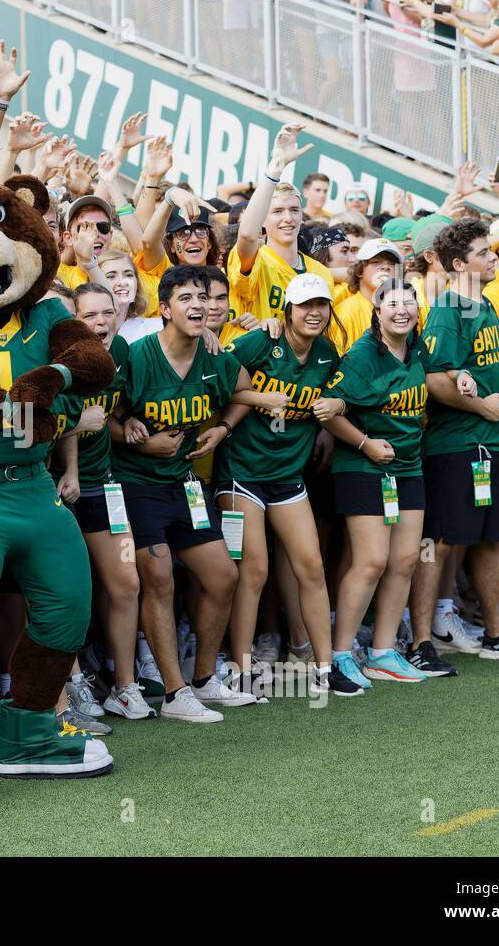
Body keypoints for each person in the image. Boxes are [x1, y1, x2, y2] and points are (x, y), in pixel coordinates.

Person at [114, 265, 268, 717]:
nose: (198, 305)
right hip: (136, 483)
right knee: (159, 580)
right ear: (164, 309)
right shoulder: (138, 354)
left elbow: (244, 390)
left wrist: (221, 428)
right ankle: (174, 693)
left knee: (224, 576)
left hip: (186, 484)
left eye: (203, 297)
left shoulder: (217, 357)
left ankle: (203, 679)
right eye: (185, 298)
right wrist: (133, 434)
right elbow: (105, 416)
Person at [411, 219, 499, 662]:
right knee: (443, 540)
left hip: (489, 441)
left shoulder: (485, 305)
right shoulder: (447, 309)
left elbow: (491, 362)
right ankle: (420, 643)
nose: (494, 258)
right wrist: (480, 407)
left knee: (490, 536)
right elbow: (435, 379)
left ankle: (497, 634)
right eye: (483, 253)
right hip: (455, 444)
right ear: (458, 264)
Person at [215, 273, 346, 695]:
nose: (314, 313)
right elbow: (215, 377)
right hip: (242, 471)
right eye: (305, 305)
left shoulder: (327, 352)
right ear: (287, 311)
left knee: (311, 565)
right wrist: (259, 398)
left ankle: (325, 667)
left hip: (289, 475)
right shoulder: (261, 342)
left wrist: (333, 415)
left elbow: (336, 399)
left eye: (321, 305)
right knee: (254, 571)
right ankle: (240, 668)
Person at [324, 279, 437, 690]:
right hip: (364, 467)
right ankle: (340, 654)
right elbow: (330, 412)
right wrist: (366, 443)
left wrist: (463, 379)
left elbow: (437, 377)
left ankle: (383, 653)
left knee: (406, 559)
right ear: (376, 310)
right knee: (371, 561)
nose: (402, 310)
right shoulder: (361, 355)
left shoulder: (417, 348)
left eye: (410, 302)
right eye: (392, 303)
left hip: (407, 467)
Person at [53, 283, 148, 719]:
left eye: (108, 313)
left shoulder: (122, 351)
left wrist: (124, 420)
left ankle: (125, 685)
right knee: (68, 591)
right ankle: (73, 684)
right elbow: (61, 419)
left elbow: (109, 406)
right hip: (56, 490)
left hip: (105, 487)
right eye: (90, 315)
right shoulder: (56, 361)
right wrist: (71, 458)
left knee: (127, 581)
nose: (101, 322)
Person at [228, 124, 337, 332]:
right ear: (263, 219)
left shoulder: (321, 273)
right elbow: (247, 235)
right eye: (277, 211)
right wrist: (276, 168)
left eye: (294, 210)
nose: (288, 218)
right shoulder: (256, 260)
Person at [332, 239, 403, 353]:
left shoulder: (405, 310)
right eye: (376, 262)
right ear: (360, 271)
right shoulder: (345, 314)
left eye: (392, 263)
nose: (386, 267)